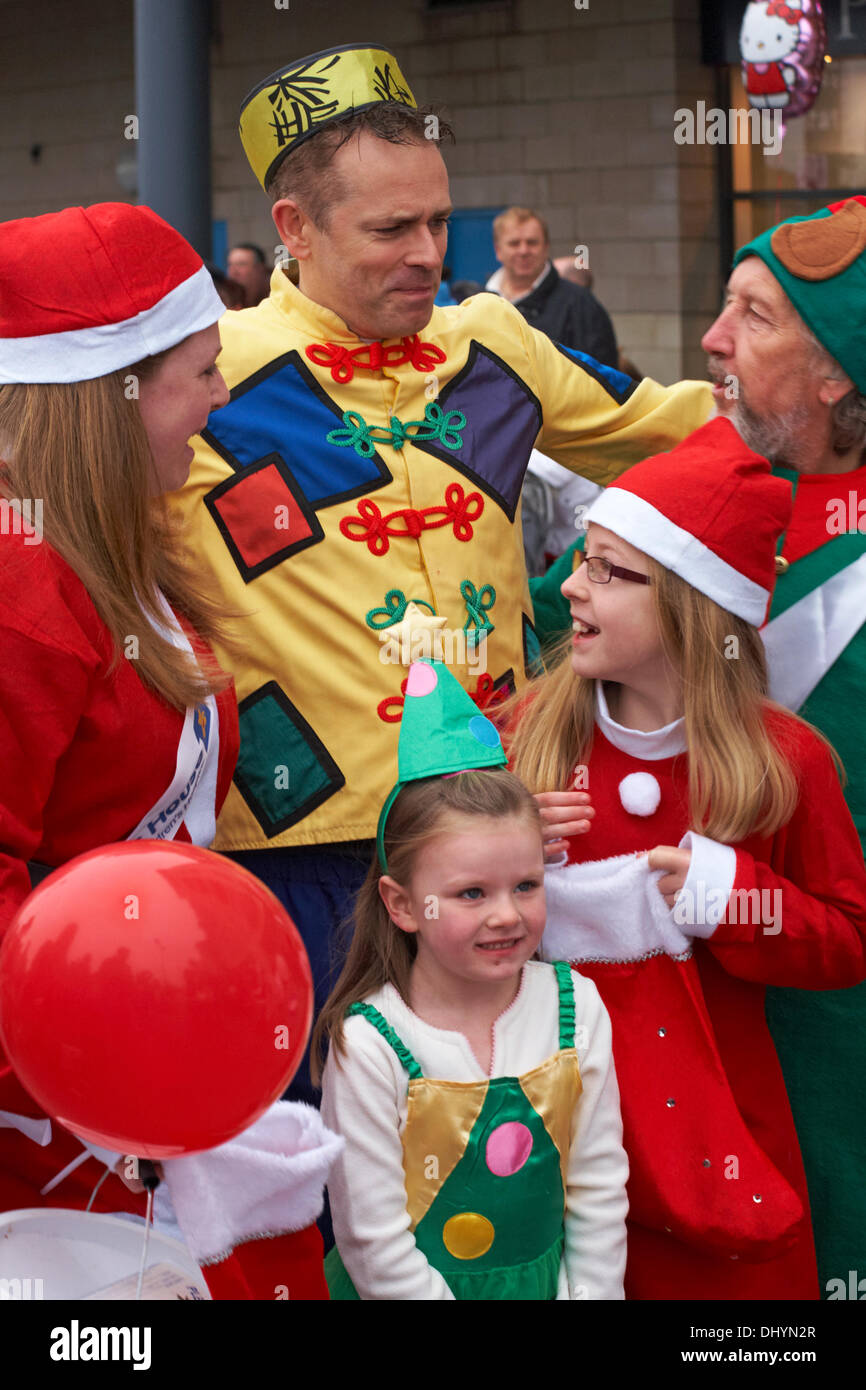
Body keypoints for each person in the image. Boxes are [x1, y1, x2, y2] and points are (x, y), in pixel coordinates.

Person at [167, 41, 712, 1106]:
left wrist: (804, 402)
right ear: (293, 229)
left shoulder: (496, 344)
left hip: (496, 845)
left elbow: (669, 437)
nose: (426, 253)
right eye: (388, 230)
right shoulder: (207, 379)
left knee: (498, 1154)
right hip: (299, 857)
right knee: (308, 1164)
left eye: (436, 222)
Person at [528, 194, 866, 1295]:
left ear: (836, 374)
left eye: (753, 316)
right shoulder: (679, 491)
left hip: (825, 1026)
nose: (710, 341)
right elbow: (539, 666)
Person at [0, 202, 332, 1299]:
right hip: (58, 1118)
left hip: (130, 1089)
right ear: (113, 395)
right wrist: (113, 1085)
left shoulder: (117, 538)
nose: (224, 396)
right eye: (201, 369)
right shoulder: (21, 586)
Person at [316, 659, 628, 1299]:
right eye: (471, 893)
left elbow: (598, 1190)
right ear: (403, 906)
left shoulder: (577, 1007)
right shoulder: (371, 1044)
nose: (507, 914)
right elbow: (374, 1244)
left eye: (526, 885)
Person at [487, 206, 618, 367]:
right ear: (498, 250)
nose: (523, 250)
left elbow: (602, 378)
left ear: (546, 247)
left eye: (532, 242)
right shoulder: (480, 303)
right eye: (514, 243)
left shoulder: (580, 304)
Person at [226, 241, 272, 307]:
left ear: (259, 269)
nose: (233, 271)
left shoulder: (276, 296)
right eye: (230, 265)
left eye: (241, 264)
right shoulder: (225, 299)